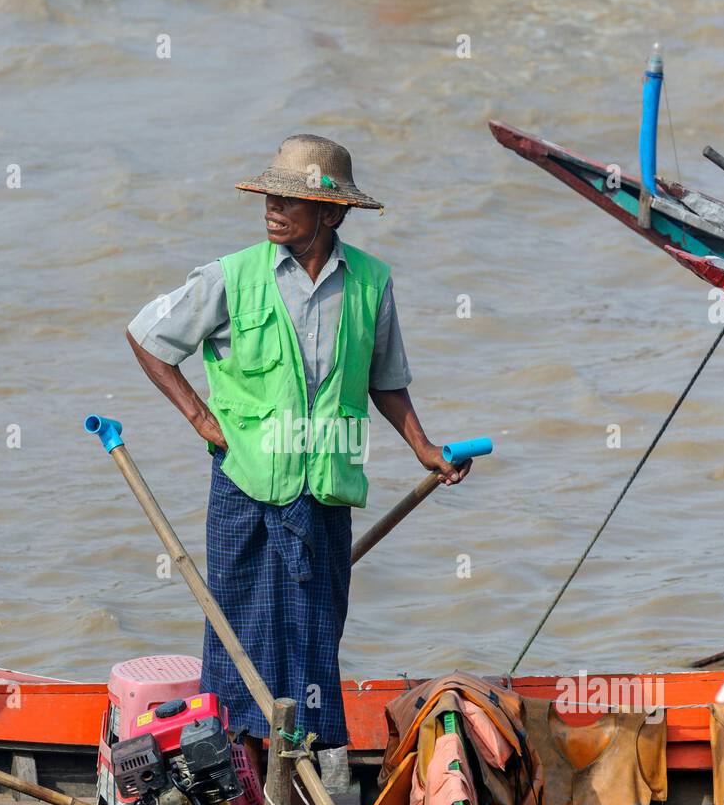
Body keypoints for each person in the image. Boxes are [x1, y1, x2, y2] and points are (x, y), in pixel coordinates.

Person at [127, 134, 470, 762]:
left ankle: (300, 769)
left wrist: (423, 447)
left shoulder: (369, 283)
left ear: (332, 213)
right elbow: (148, 336)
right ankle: (250, 784)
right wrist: (199, 415)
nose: (273, 210)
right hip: (246, 485)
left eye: (291, 200)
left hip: (323, 490)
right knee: (239, 634)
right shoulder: (232, 276)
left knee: (313, 636)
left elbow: (383, 380)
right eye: (270, 197)